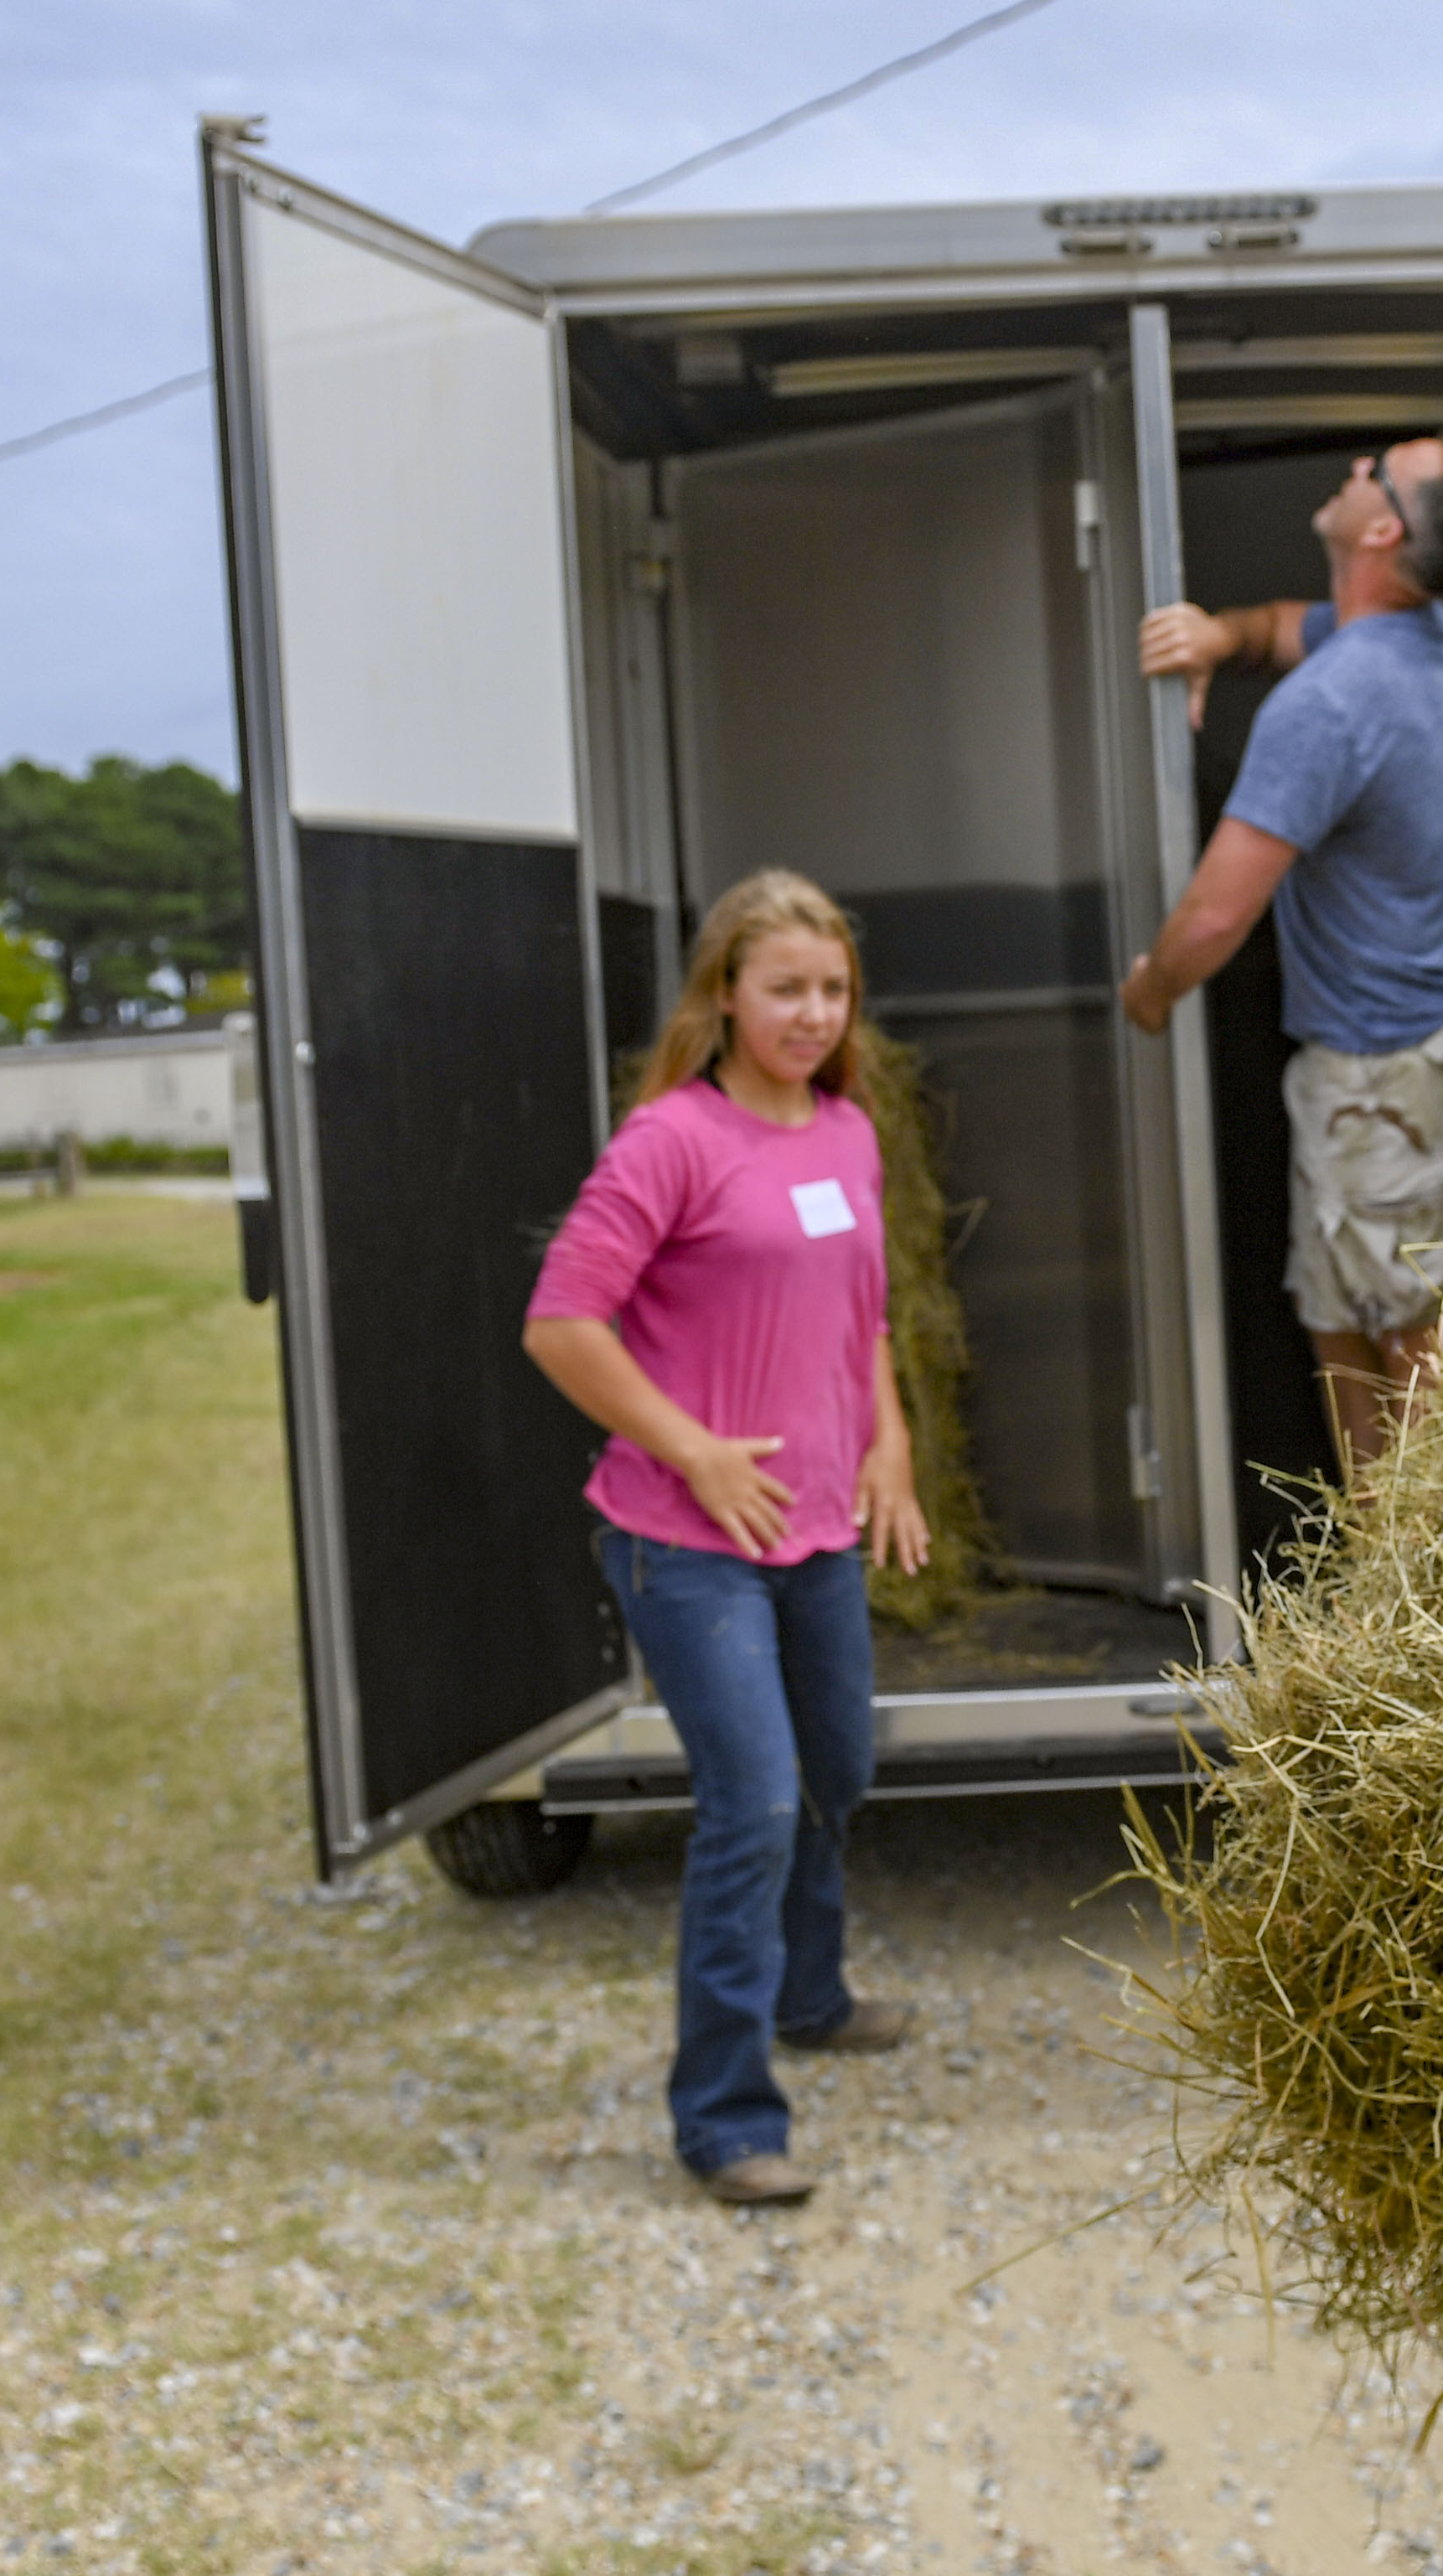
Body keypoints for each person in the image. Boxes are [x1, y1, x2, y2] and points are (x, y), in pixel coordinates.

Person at [523, 869, 930, 2209]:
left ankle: (811, 1993)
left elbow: (861, 1318)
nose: (812, 1014)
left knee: (836, 1772)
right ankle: (723, 2113)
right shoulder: (670, 1141)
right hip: (683, 1535)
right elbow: (563, 1322)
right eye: (784, 990)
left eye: (832, 990)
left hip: (812, 1523)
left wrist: (890, 1446)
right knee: (751, 1800)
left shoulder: (846, 1135)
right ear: (723, 996)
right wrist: (688, 1445)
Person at [1121, 425, 1443, 1469]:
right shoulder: (1428, 640)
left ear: (1381, 524)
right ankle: (1382, 1564)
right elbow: (1276, 629)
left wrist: (1150, 990)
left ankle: (1430, 1587)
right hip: (1407, 1054)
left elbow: (1214, 918)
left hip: (1385, 1070)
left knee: (1400, 1333)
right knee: (1346, 1312)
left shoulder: (1328, 707)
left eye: (1372, 470)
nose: (1352, 467)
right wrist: (1216, 637)